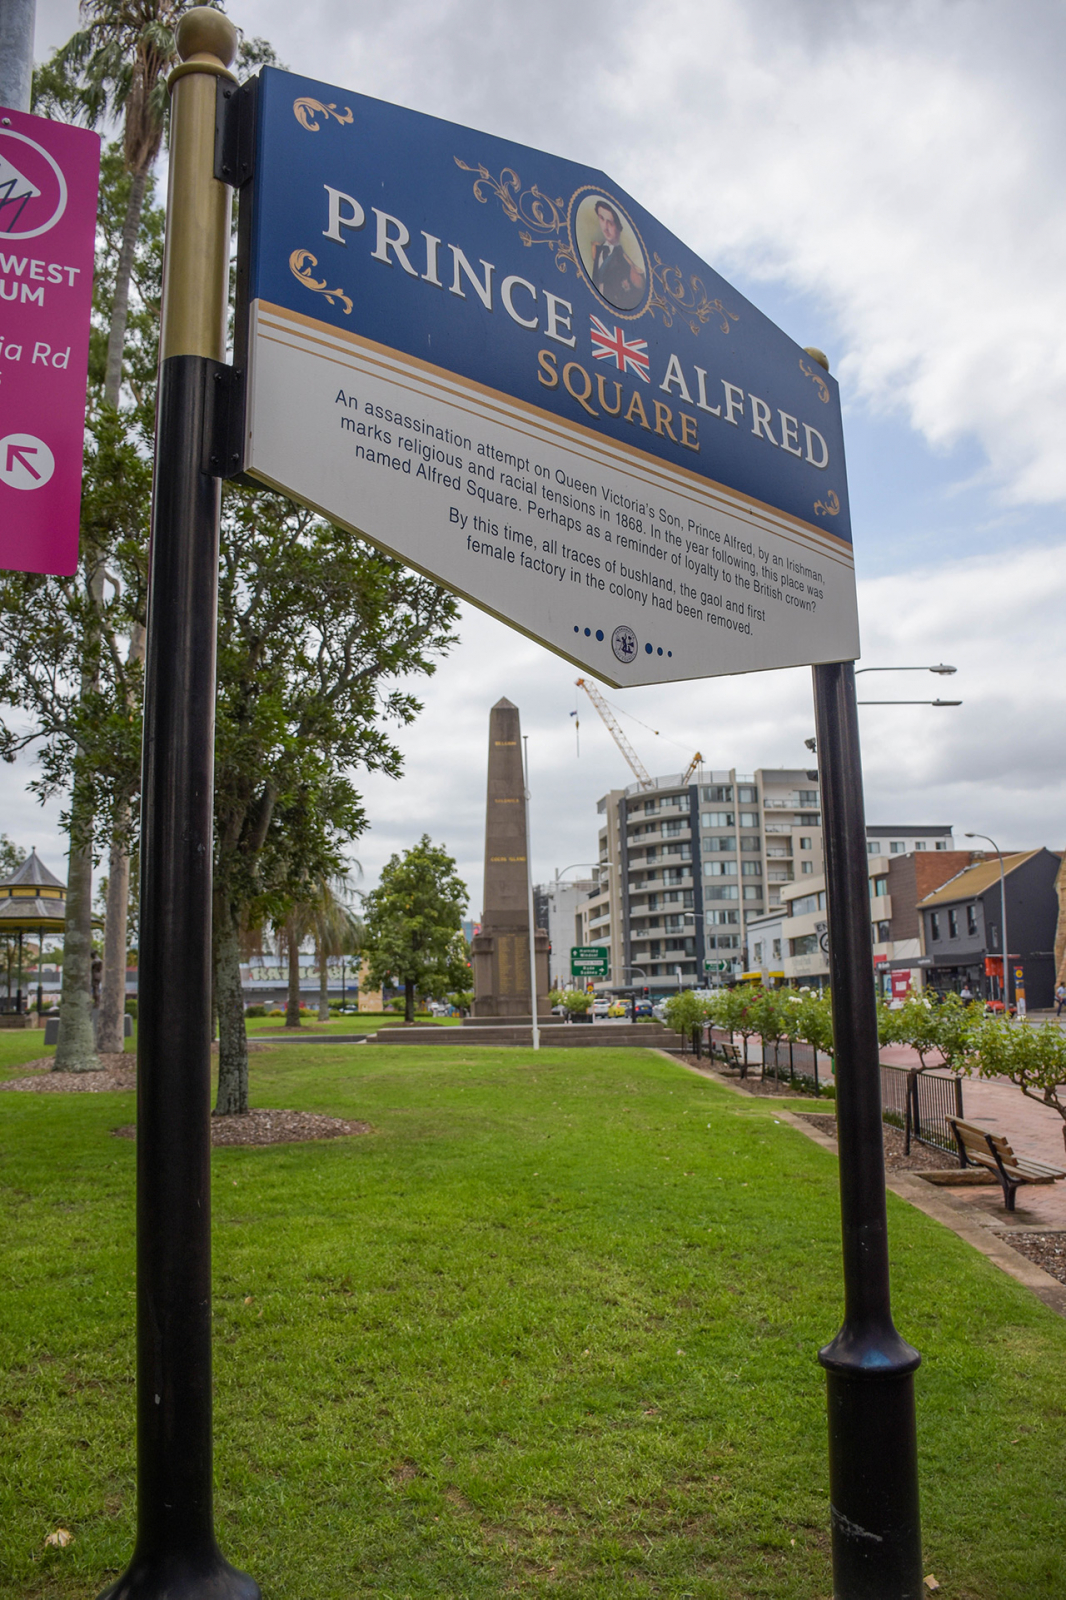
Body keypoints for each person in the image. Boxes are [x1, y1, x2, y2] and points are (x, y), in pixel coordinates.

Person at [589, 201, 645, 311]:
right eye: (601, 219)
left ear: (618, 226)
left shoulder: (626, 261)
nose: (605, 227)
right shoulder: (597, 249)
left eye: (610, 223)